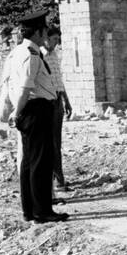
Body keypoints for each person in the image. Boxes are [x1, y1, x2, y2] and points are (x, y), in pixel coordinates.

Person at [0, 9, 65, 224]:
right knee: (41, 164)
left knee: (29, 163)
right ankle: (43, 211)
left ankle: (30, 210)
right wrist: (17, 113)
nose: (46, 32)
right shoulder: (31, 54)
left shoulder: (19, 51)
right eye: (44, 29)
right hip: (36, 109)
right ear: (37, 32)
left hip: (30, 109)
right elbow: (25, 88)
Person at [42, 30, 72, 193]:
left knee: (56, 143)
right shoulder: (40, 56)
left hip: (57, 100)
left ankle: (58, 178)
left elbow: (59, 80)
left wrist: (66, 100)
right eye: (54, 39)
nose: (56, 43)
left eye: (58, 39)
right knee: (51, 143)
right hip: (47, 101)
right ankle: (58, 182)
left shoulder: (53, 55)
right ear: (46, 39)